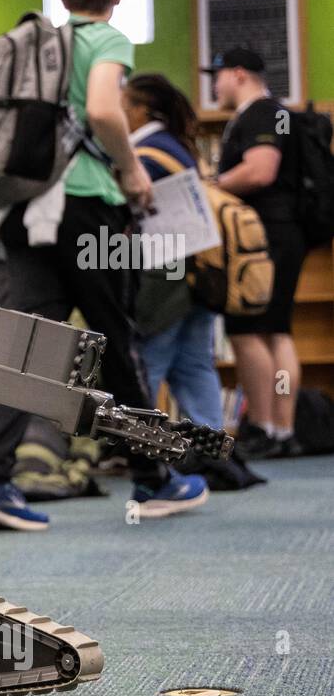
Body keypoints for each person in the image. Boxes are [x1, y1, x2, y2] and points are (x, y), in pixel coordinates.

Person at [0, 0, 207, 531]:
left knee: (25, 347)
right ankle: (155, 477)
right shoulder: (106, 40)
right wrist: (133, 171)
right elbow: (102, 109)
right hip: (87, 212)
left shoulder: (38, 48)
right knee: (117, 339)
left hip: (27, 209)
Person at [205, 48, 305, 459]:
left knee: (248, 331)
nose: (214, 84)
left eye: (219, 74)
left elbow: (261, 170)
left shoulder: (260, 114)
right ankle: (282, 430)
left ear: (239, 74)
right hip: (280, 235)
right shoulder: (272, 113)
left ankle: (265, 427)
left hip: (264, 238)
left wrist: (209, 185)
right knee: (275, 331)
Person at [124, 73, 225, 430]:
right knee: (193, 362)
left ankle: (135, 444)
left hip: (166, 274)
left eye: (124, 102)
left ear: (141, 110)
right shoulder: (176, 146)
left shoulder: (145, 155)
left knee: (148, 358)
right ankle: (210, 442)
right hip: (198, 269)